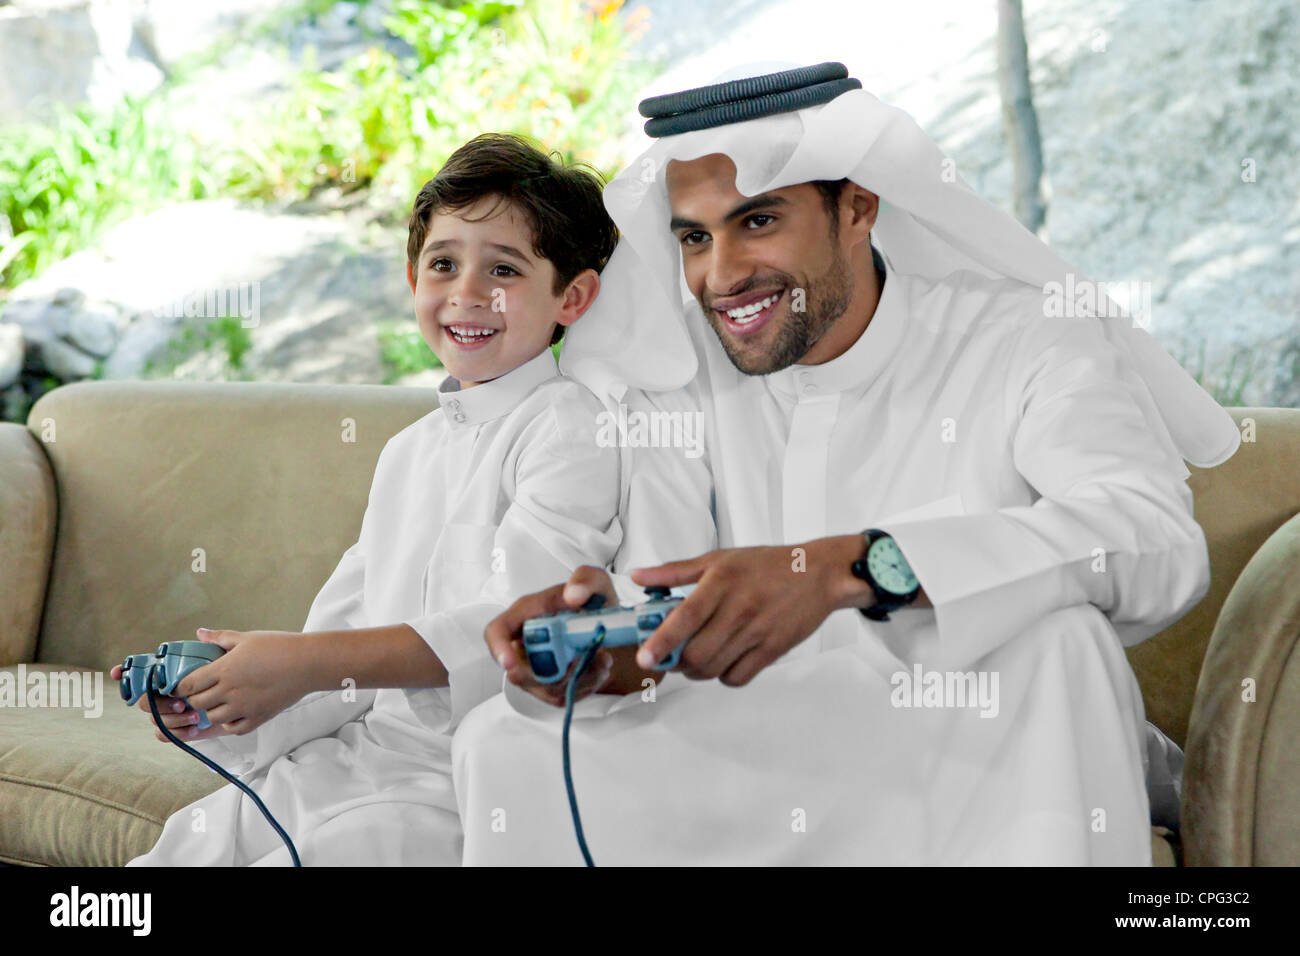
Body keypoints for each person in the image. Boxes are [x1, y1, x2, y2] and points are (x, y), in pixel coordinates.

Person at [450, 63, 1241, 865]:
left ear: (858, 208)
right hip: (761, 734)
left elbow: (1154, 540)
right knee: (499, 742)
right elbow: (670, 604)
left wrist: (853, 568)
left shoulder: (1024, 335)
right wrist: (612, 652)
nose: (720, 276)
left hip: (978, 734)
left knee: (1060, 642)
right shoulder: (677, 369)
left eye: (757, 222)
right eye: (694, 237)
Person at [117, 132, 663, 865]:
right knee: (174, 855)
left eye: (503, 268)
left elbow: (520, 632)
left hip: (460, 782)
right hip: (351, 760)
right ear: (413, 279)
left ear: (574, 296)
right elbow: (337, 648)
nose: (468, 293)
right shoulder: (409, 453)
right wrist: (231, 705)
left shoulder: (569, 427)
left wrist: (301, 663)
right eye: (444, 264)